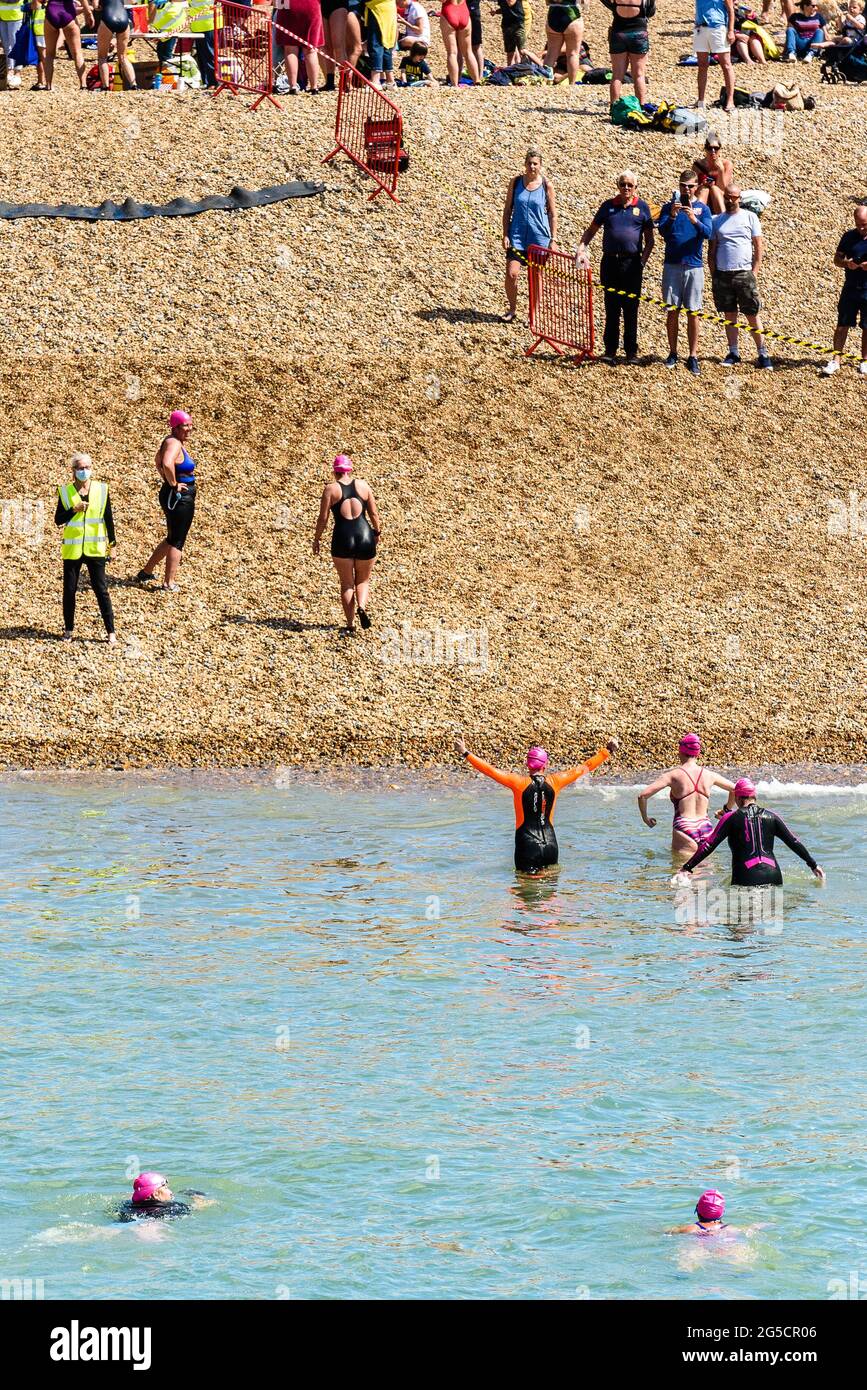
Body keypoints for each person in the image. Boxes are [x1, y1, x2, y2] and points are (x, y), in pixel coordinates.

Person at [455, 734, 619, 874]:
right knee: (549, 895)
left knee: (526, 898)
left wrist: (465, 752)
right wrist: (607, 751)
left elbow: (490, 770)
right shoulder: (556, 781)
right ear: (545, 765)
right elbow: (584, 768)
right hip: (550, 846)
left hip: (527, 846)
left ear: (528, 764)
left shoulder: (518, 783)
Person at [679, 778, 826, 886]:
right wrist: (813, 865)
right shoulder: (772, 816)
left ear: (737, 797)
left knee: (737, 923)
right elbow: (793, 841)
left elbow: (708, 845)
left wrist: (687, 868)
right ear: (754, 797)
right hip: (774, 875)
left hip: (746, 876)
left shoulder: (730, 817)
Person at [581, 169, 654, 365]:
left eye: (630, 185)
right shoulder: (607, 206)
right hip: (610, 262)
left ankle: (631, 352)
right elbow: (592, 230)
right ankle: (610, 349)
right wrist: (582, 246)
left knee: (631, 308)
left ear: (635, 187)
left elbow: (650, 241)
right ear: (618, 186)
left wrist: (642, 261)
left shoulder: (643, 208)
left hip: (632, 263)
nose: (626, 188)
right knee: (611, 306)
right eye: (623, 184)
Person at [313, 454, 381, 635]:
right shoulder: (364, 486)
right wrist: (377, 532)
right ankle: (362, 607)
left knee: (347, 583)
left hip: (343, 538)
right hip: (365, 535)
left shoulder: (330, 489)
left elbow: (323, 518)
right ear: (349, 469)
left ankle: (350, 624)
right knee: (363, 580)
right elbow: (374, 513)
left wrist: (317, 538)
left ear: (335, 471)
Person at [638, 733, 736, 855]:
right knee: (704, 870)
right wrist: (726, 809)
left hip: (684, 827)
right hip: (706, 827)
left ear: (681, 751)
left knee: (681, 871)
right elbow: (735, 790)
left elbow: (642, 796)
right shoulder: (709, 775)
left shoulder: (673, 775)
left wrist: (645, 819)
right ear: (697, 753)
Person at [55, 453, 116, 645]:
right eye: (80, 468)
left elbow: (108, 519)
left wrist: (112, 545)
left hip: (95, 548)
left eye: (87, 467)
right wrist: (74, 510)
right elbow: (58, 519)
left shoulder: (102, 490)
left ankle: (111, 631)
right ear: (73, 470)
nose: (84, 471)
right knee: (69, 590)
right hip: (73, 550)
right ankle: (68, 629)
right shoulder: (65, 492)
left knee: (101, 589)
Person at [710, 186, 773, 369]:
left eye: (733, 197)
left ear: (739, 198)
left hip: (744, 272)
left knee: (752, 313)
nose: (730, 200)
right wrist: (714, 273)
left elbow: (758, 245)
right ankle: (733, 352)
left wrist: (755, 270)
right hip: (723, 273)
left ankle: (762, 353)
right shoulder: (717, 220)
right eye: (727, 197)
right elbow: (712, 249)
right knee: (729, 314)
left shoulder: (750, 217)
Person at [658, 171, 713, 376]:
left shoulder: (702, 209)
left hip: (694, 265)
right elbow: (662, 232)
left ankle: (693, 355)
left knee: (693, 311)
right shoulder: (669, 207)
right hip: (672, 264)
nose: (686, 189)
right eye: (683, 185)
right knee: (672, 310)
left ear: (696, 187)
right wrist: (672, 215)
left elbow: (708, 233)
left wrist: (693, 219)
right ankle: (672, 352)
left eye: (690, 186)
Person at [137, 410, 197, 593]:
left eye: (190, 425)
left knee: (172, 537)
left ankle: (146, 572)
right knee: (177, 541)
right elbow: (166, 462)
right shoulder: (174, 443)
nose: (189, 429)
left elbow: (157, 461)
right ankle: (168, 583)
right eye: (185, 426)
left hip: (173, 494)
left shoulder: (170, 441)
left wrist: (167, 480)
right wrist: (173, 484)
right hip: (179, 497)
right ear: (175, 427)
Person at [502, 147, 558, 323]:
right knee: (512, 273)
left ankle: (534, 314)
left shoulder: (546, 185)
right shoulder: (516, 182)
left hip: (538, 237)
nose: (532, 167)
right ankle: (512, 309)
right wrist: (505, 234)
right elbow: (507, 209)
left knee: (536, 276)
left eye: (535, 164)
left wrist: (553, 239)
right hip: (517, 236)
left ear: (540, 166)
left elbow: (553, 213)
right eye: (529, 163)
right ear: (525, 164)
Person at [821, 203, 867, 377]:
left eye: (865, 224)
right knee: (842, 325)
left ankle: (865, 360)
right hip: (850, 287)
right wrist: (847, 263)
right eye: (859, 224)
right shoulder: (848, 237)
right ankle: (836, 359)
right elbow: (837, 259)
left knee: (866, 327)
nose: (861, 228)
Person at [600, 0, 654, 106]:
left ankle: (614, 107)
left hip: (618, 33)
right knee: (639, 75)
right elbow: (651, 11)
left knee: (617, 75)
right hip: (638, 34)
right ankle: (641, 107)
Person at [116, 1172, 212, 1222]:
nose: (170, 1192)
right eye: (165, 1188)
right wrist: (198, 1197)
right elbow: (198, 1207)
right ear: (156, 1194)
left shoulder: (126, 1206)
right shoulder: (172, 1207)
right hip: (153, 1224)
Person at [273, 0, 324, 92]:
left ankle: (292, 87)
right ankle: (314, 87)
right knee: (310, 51)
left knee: (290, 49)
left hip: (288, 5)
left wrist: (279, 7)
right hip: (311, 5)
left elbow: (278, 2)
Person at [694, 0, 735, 111]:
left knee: (726, 65)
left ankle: (730, 100)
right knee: (702, 65)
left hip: (718, 28)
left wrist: (731, 30)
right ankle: (701, 100)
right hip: (700, 28)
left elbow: (731, 9)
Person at [44, 0, 93, 89]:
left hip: (52, 11)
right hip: (68, 11)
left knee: (49, 54)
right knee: (77, 53)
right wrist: (88, 13)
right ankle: (83, 84)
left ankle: (48, 85)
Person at [98, 0, 136, 90]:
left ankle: (105, 87)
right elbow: (133, 2)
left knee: (102, 58)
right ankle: (133, 84)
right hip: (123, 18)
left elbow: (96, 6)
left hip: (108, 17)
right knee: (123, 57)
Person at [440, 0, 481, 85]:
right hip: (463, 11)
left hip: (449, 10)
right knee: (468, 52)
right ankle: (476, 80)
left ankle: (455, 84)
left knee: (452, 53)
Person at [692, 133, 733, 215]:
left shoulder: (726, 164)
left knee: (714, 189)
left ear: (720, 149)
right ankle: (696, 219)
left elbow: (723, 189)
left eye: (716, 148)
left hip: (719, 197)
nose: (713, 151)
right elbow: (693, 187)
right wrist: (703, 184)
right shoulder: (698, 165)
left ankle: (722, 218)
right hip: (703, 196)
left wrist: (720, 170)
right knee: (705, 189)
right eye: (710, 148)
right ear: (705, 149)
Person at [668, 1190, 739, 1235]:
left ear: (697, 1210)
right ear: (722, 1212)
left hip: (699, 1242)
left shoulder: (691, 1229)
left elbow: (669, 1232)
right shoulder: (731, 1229)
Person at [545, 1, 583, 82]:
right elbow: (584, 3)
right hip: (571, 14)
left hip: (553, 13)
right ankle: (571, 84)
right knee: (573, 54)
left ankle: (545, 81)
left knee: (551, 53)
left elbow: (547, 2)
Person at [366, 0, 398, 87]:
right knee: (387, 45)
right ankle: (390, 81)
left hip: (377, 8)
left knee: (375, 44)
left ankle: (375, 80)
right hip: (388, 8)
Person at [188, 0, 215, 88]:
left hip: (207, 25)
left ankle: (213, 82)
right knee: (201, 56)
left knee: (208, 55)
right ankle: (206, 81)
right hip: (199, 26)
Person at [0, 0, 24, 88]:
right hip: (2, 17)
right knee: (6, 47)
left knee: (15, 46)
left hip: (15, 16)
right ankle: (9, 70)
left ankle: (17, 72)